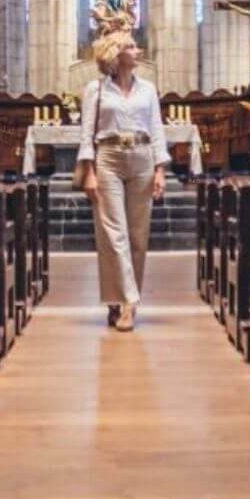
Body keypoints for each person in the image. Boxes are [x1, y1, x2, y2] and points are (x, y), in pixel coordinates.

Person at [77, 31, 169, 332]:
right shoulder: (96, 90)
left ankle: (117, 300)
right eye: (130, 46)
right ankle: (130, 302)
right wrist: (88, 171)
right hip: (109, 158)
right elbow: (87, 133)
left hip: (142, 156)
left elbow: (156, 129)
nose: (137, 48)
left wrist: (160, 170)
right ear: (116, 55)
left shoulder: (148, 89)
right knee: (113, 234)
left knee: (138, 236)